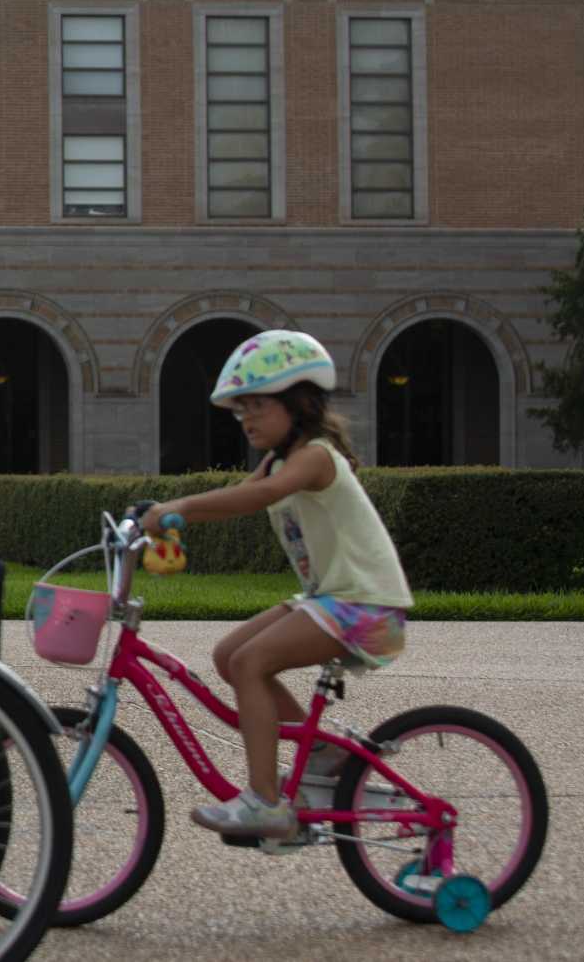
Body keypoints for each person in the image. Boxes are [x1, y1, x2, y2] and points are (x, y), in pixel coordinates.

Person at [137, 329, 412, 841]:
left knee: (250, 662)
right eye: (241, 410)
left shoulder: (316, 456)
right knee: (228, 656)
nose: (246, 419)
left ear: (300, 402)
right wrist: (167, 521)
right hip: (332, 599)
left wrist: (179, 507)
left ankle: (266, 803)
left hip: (365, 605)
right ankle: (327, 757)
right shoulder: (280, 460)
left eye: (258, 405)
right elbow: (240, 496)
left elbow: (260, 496)